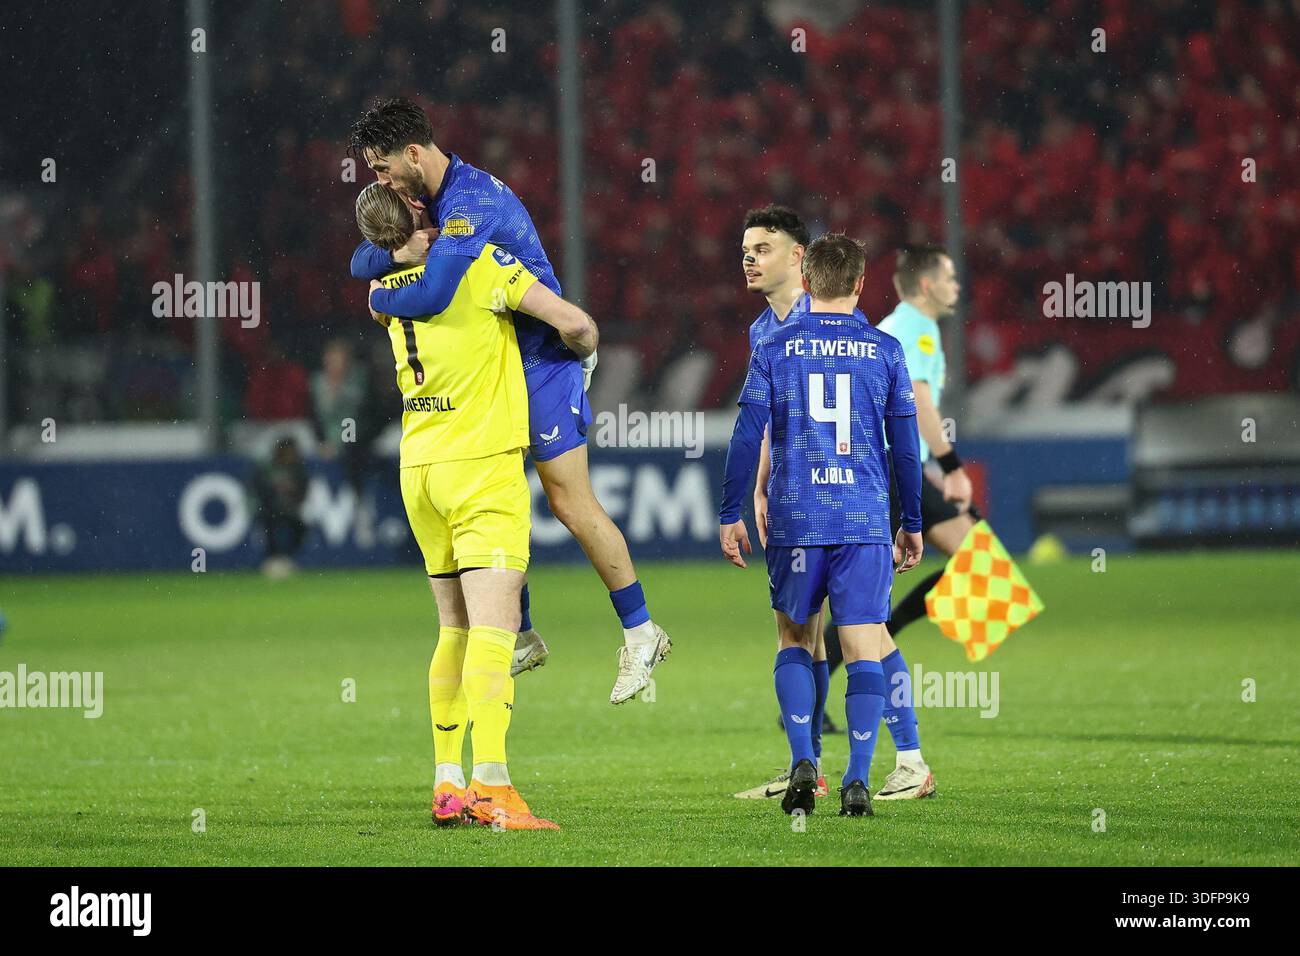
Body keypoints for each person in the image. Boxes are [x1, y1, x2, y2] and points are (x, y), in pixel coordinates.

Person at [349, 97, 670, 704]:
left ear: (413, 153)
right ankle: (522, 635)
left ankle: (640, 631)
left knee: (569, 502)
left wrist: (379, 298)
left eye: (384, 167)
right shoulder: (430, 202)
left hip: (543, 362)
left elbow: (438, 292)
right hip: (491, 371)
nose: (380, 181)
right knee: (492, 498)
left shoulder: (471, 202)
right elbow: (357, 257)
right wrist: (398, 255)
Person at [356, 181, 597, 830]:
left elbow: (388, 270)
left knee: (454, 631)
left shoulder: (380, 294)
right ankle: (493, 788)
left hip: (419, 469)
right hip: (481, 466)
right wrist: (584, 353)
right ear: (415, 215)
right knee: (495, 631)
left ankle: (447, 782)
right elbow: (574, 322)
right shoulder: (483, 265)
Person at [718, 234, 925, 817]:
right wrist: (910, 521)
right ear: (861, 285)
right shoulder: (886, 351)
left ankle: (805, 759)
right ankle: (860, 778)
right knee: (862, 646)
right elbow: (905, 451)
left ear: (806, 283)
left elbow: (744, 435)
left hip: (795, 520)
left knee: (795, 640)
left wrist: (732, 510)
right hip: (862, 522)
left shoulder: (776, 348)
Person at [819, 244, 972, 799]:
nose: (957, 285)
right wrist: (950, 465)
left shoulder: (896, 328)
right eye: (950, 276)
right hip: (880, 471)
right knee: (977, 573)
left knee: (979, 569)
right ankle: (903, 750)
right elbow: (919, 405)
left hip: (885, 468)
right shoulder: (915, 330)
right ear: (926, 285)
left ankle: (871, 650)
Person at [251, 437, 309, 579]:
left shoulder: (298, 469)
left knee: (300, 526)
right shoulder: (266, 467)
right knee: (268, 523)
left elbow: (303, 492)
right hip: (268, 509)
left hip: (290, 509)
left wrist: (291, 493)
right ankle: (272, 558)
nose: (290, 455)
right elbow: (258, 489)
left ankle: (286, 558)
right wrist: (274, 490)